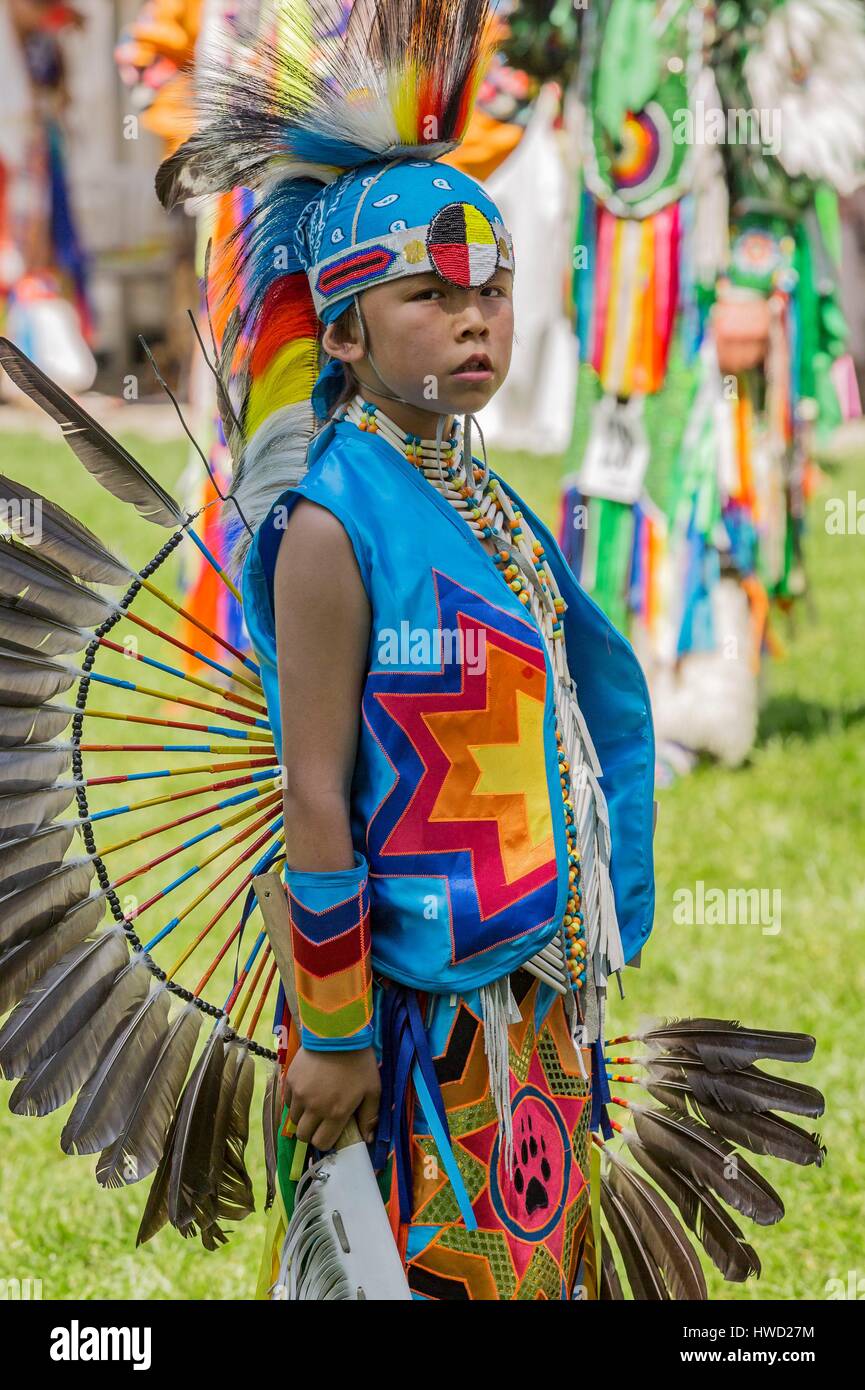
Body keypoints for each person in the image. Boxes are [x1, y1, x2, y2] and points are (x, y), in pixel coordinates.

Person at [0, 0, 826, 1303]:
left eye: (491, 291)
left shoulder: (483, 502)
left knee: (532, 1261)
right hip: (403, 1020)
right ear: (339, 332)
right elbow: (313, 789)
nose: (474, 320)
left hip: (526, 1011)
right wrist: (329, 1028)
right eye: (429, 295)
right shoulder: (333, 524)